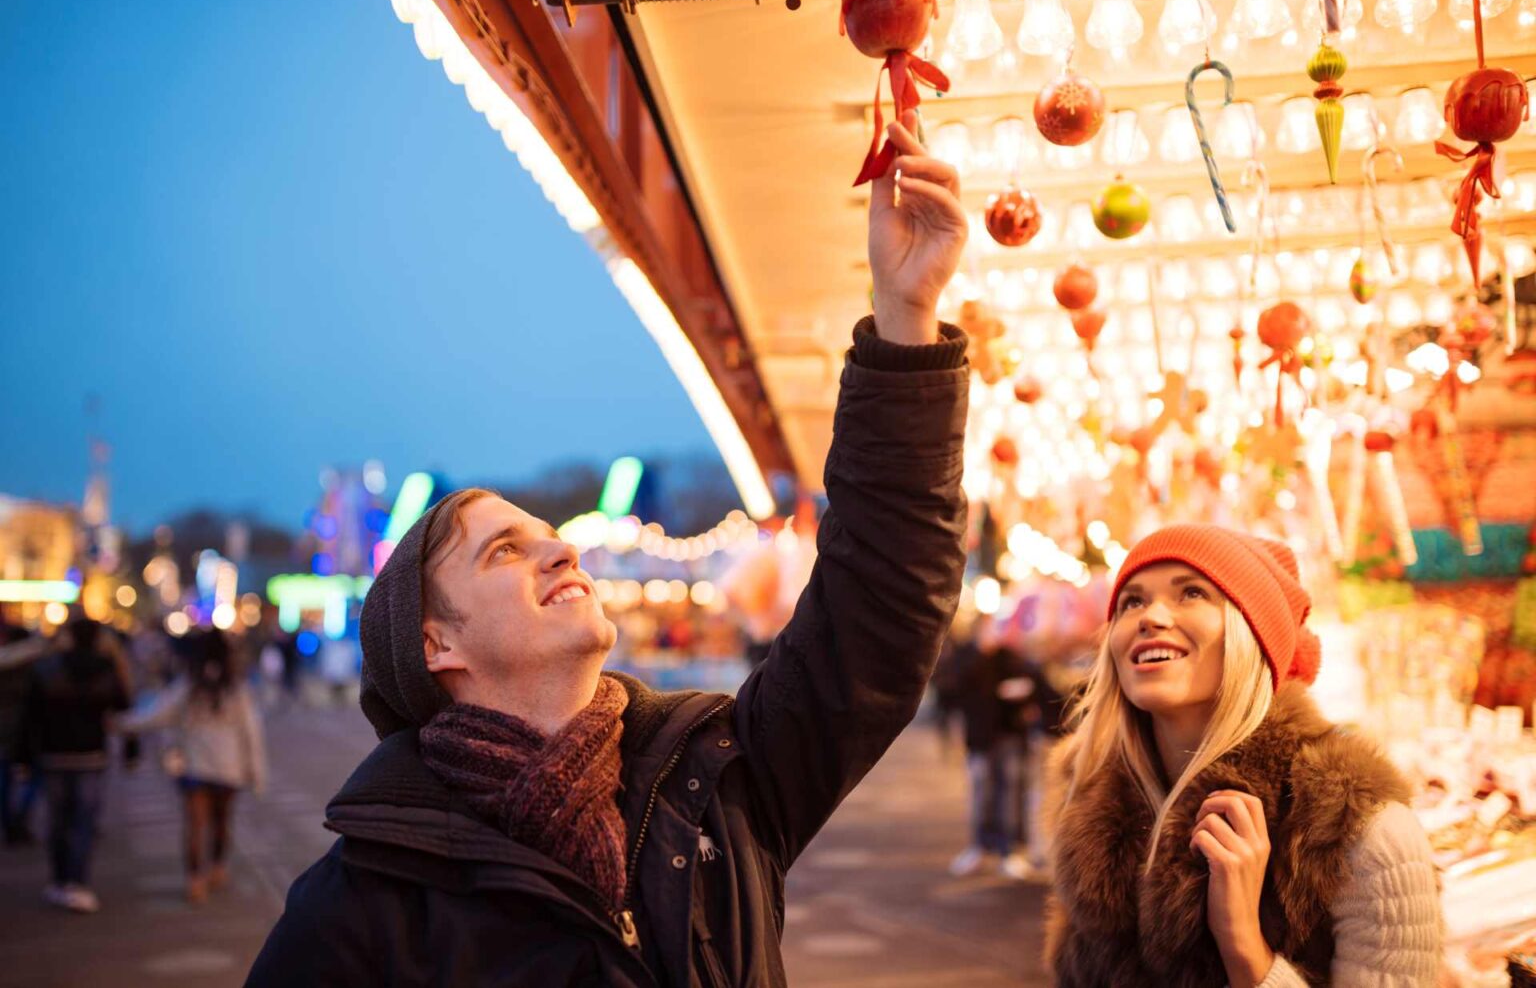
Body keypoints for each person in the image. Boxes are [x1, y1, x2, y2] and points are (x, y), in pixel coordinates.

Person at [245, 111, 970, 988]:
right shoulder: (363, 907)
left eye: (550, 538)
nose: (561, 554)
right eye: (504, 552)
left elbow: (881, 605)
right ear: (436, 643)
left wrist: (905, 319)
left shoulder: (714, 781)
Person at [1044, 524, 1441, 987]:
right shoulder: (1088, 806)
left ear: (1251, 633)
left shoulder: (1357, 827)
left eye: (1192, 592)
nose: (1150, 616)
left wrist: (1243, 944)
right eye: (1132, 601)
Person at [117, 629, 268, 902]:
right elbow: (251, 732)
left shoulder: (188, 686)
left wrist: (123, 723)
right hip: (229, 768)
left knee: (196, 825)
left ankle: (195, 879)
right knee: (222, 821)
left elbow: (158, 714)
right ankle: (217, 867)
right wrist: (256, 773)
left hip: (195, 767)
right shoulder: (237, 689)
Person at [24, 616, 130, 913]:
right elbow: (122, 705)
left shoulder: (47, 668)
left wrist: (24, 756)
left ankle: (60, 881)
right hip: (91, 754)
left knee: (58, 821)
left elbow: (30, 715)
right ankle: (78, 883)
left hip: (54, 754)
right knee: (84, 822)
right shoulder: (105, 667)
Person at [948, 614, 1035, 880]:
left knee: (1010, 792)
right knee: (980, 792)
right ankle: (980, 847)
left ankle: (1011, 850)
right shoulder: (966, 655)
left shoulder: (1008, 655)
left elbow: (1026, 681)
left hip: (1008, 734)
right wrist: (981, 655)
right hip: (979, 736)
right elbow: (955, 688)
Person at [0, 625, 50, 845]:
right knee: (36, 776)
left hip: (8, 730)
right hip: (28, 730)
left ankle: (10, 823)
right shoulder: (35, 665)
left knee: (5, 779)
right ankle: (19, 819)